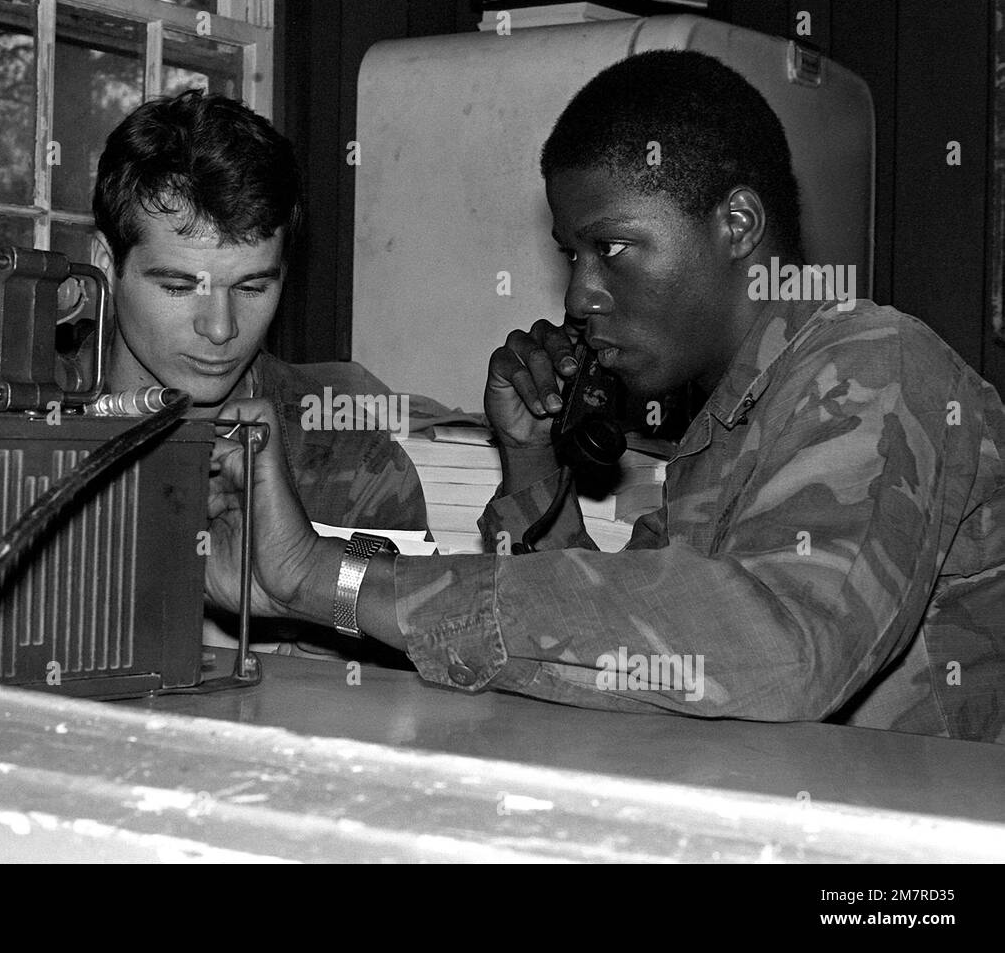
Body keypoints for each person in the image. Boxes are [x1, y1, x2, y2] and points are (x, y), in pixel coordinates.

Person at [205, 50, 1005, 742]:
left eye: (611, 247)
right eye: (572, 255)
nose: (581, 294)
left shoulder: (875, 363)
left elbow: (780, 650)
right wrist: (532, 464)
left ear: (737, 223)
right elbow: (633, 656)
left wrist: (323, 577)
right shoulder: (727, 423)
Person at [91, 90, 428, 658]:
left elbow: (416, 646)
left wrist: (306, 585)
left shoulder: (349, 453)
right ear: (107, 264)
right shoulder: (13, 422)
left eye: (252, 287)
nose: (221, 329)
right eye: (178, 287)